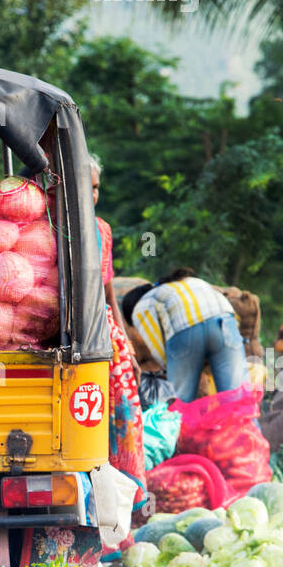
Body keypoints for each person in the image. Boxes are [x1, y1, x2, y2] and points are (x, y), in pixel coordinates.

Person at [90, 155, 147, 508]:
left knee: (123, 421)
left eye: (96, 188)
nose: (92, 194)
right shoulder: (48, 227)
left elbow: (108, 292)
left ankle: (119, 516)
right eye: (86, 186)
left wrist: (126, 343)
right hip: (70, 340)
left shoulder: (102, 230)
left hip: (106, 335)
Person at [123, 268, 248, 404]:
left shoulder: (142, 305)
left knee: (181, 406)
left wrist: (169, 370)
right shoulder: (184, 284)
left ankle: (181, 423)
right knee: (236, 400)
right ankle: (245, 424)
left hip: (188, 327)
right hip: (227, 322)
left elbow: (160, 353)